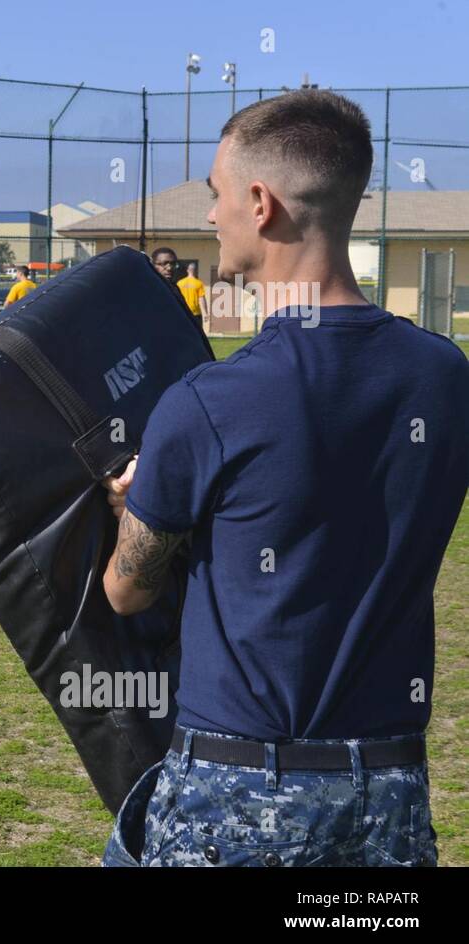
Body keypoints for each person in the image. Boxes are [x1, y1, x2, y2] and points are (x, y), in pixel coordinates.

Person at [100, 90, 469, 867]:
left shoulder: (209, 401)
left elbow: (127, 591)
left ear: (260, 204)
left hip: (236, 791)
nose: (210, 217)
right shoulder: (445, 376)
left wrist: (144, 508)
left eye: (216, 195)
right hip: (390, 793)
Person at [175, 262, 209, 328]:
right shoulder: (198, 283)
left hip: (183, 312)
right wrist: (205, 313)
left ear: (187, 270)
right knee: (197, 333)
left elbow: (177, 297)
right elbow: (201, 299)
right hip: (195, 313)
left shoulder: (180, 283)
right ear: (195, 271)